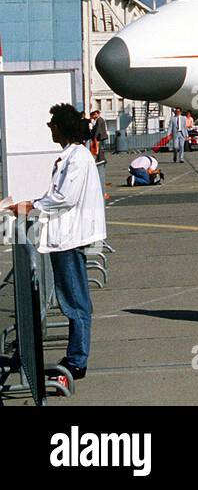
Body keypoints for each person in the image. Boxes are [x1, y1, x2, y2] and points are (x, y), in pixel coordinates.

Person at [5, 104, 107, 381]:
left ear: (61, 127)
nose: (50, 129)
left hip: (69, 238)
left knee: (75, 303)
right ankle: (75, 356)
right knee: (73, 300)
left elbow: (64, 198)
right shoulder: (73, 157)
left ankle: (77, 362)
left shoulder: (77, 158)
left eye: (52, 125)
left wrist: (31, 205)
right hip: (65, 237)